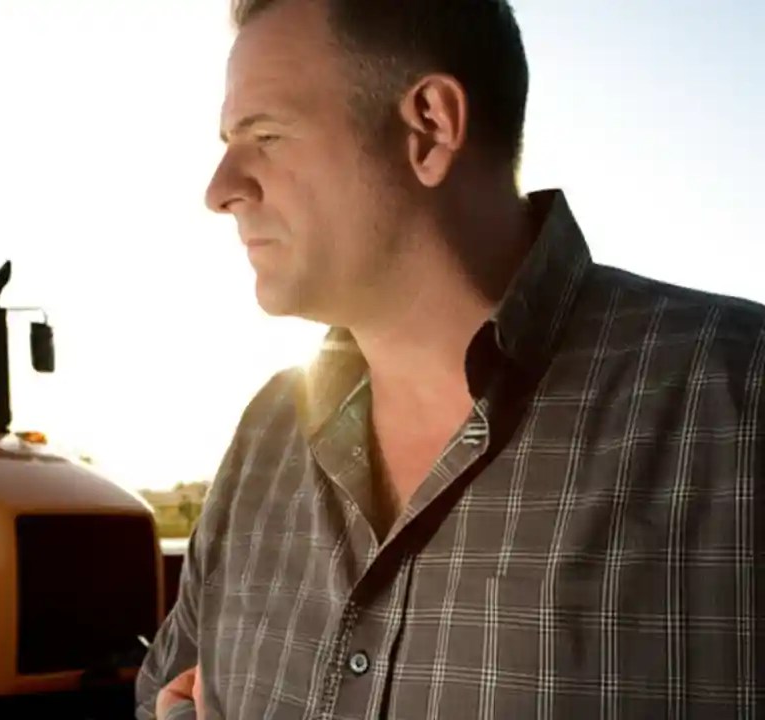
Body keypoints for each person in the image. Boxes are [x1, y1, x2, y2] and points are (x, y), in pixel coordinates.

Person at [134, 0, 765, 718]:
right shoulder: (266, 434)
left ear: (429, 128)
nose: (222, 190)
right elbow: (165, 689)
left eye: (267, 135)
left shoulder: (740, 402)